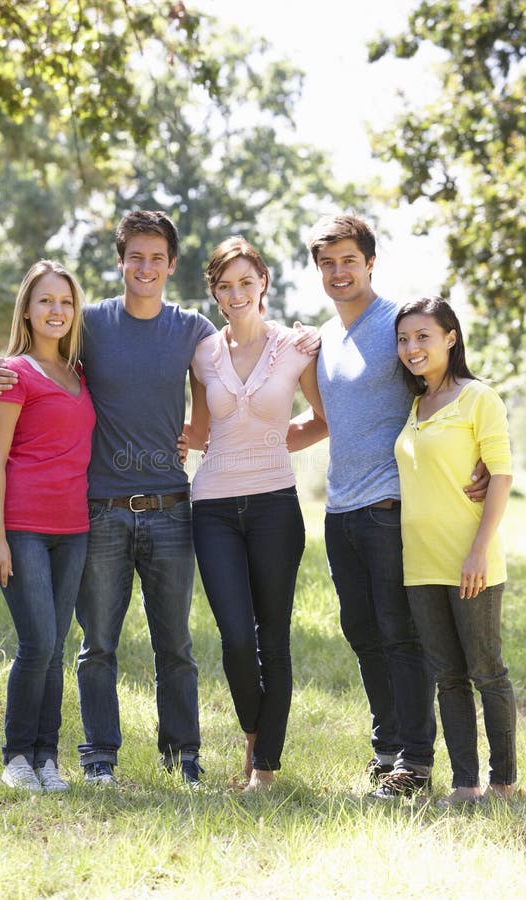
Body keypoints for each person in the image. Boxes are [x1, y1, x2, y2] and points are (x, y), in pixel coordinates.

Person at [0, 210, 318, 788]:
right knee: (98, 646)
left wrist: (298, 339)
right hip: (100, 512)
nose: (145, 267)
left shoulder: (191, 331)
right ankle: (99, 759)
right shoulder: (87, 325)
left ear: (170, 265)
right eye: (134, 256)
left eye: (156, 258)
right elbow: (41, 357)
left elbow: (246, 346)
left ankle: (184, 757)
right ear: (120, 262)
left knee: (176, 647)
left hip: (172, 509)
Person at [287, 212, 489, 798]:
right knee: (361, 632)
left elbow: (448, 391)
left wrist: (478, 458)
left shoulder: (397, 325)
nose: (338, 271)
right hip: (341, 509)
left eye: (349, 260)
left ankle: (416, 763)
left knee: (400, 635)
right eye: (327, 262)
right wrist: (237, 441)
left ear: (370, 262)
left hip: (391, 505)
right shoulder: (325, 338)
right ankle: (387, 748)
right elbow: (323, 421)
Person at [184, 237, 326, 791]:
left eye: (246, 281)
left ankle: (264, 768)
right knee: (236, 638)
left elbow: (322, 417)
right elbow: (200, 430)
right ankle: (252, 732)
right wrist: (167, 443)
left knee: (275, 638)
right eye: (225, 285)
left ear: (262, 282)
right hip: (213, 505)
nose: (236, 293)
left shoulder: (295, 347)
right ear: (214, 292)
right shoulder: (202, 354)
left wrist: (273, 444)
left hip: (274, 505)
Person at [395, 296, 516, 804]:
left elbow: (502, 475)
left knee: (486, 670)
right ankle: (465, 784)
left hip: (472, 560)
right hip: (420, 563)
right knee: (448, 676)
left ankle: (504, 782)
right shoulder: (415, 405)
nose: (412, 348)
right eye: (404, 339)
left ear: (450, 337)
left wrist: (478, 552)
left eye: (423, 336)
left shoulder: (477, 398)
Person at [0, 259, 96, 792]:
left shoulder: (79, 373)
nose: (57, 310)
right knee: (39, 643)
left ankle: (47, 757)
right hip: (23, 526)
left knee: (57, 645)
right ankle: (16, 757)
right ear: (27, 309)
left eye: (66, 302)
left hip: (73, 529)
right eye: (46, 300)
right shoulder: (12, 372)